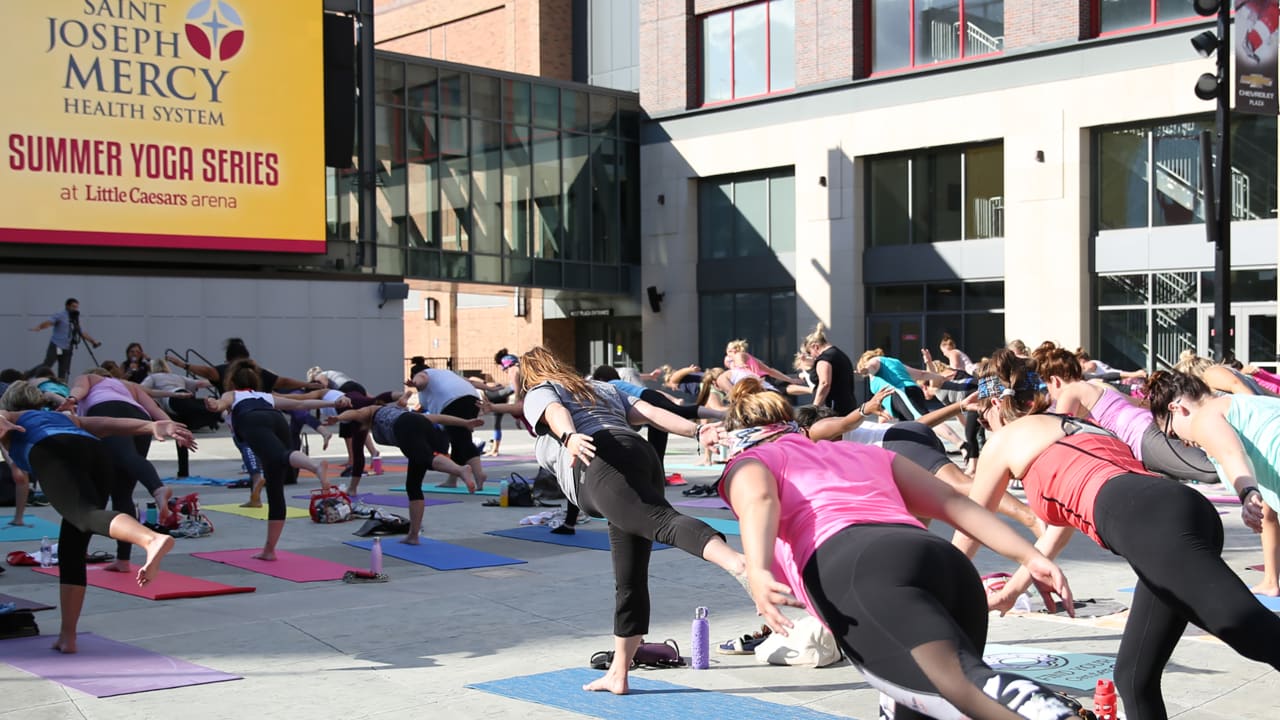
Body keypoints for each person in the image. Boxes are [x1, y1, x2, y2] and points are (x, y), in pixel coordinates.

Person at [719, 378, 1085, 720]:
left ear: (739, 439)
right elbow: (954, 502)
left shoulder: (750, 462)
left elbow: (760, 499)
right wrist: (1030, 555)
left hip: (859, 567)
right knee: (932, 701)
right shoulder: (864, 455)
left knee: (961, 684)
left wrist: (759, 569)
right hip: (945, 566)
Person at [955, 351, 1280, 720]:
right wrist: (1014, 589)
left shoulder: (1004, 440)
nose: (983, 425)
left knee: (1250, 628)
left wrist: (935, 586)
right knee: (1134, 675)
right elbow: (1063, 525)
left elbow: (970, 524)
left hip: (1151, 523)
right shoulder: (1071, 425)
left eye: (981, 417)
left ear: (996, 404)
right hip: (1181, 508)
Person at [519, 346, 747, 694]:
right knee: (630, 578)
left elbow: (554, 411)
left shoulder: (540, 390)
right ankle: (619, 673)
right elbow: (651, 412)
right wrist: (695, 431)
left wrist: (568, 436)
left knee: (662, 522)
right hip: (640, 456)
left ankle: (740, 565)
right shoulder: (600, 387)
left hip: (600, 462)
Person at [1, 380, 190, 654]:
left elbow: (3, 417)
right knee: (73, 545)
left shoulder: (14, 417)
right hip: (97, 456)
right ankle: (68, 637)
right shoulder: (59, 417)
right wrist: (149, 426)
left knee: (85, 516)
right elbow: (104, 423)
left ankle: (150, 539)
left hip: (55, 450)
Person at [204, 361, 340, 560]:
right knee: (276, 487)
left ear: (232, 382)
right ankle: (269, 550)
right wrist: (332, 403)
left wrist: (213, 404)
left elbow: (221, 405)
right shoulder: (266, 396)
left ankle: (314, 466)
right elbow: (300, 403)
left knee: (279, 463)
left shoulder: (233, 394)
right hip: (277, 421)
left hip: (253, 420)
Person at [1034, 344, 1218, 483]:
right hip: (1148, 429)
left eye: (1048, 387)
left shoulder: (1070, 392)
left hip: (1142, 437)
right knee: (1177, 481)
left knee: (1209, 471)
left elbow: (1059, 436)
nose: (1051, 394)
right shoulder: (1098, 385)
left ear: (1054, 380)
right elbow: (1142, 404)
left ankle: (1239, 466)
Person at [326, 396, 483, 542]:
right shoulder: (400, 412)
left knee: (426, 459)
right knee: (413, 485)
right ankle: (413, 535)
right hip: (423, 428)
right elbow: (438, 418)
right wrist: (464, 423)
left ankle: (461, 470)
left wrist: (338, 418)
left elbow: (354, 413)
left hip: (406, 428)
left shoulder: (371, 411)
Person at [61, 370, 175, 570]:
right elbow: (152, 408)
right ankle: (123, 560)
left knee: (99, 493)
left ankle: (157, 489)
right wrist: (172, 426)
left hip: (107, 412)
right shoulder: (130, 386)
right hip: (140, 417)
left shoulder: (90, 377)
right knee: (123, 491)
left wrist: (72, 399)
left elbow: (80, 388)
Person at [408, 364, 487, 491]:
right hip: (472, 400)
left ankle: (479, 475)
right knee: (457, 442)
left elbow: (422, 379)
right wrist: (490, 388)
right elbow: (469, 381)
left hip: (453, 403)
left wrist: (415, 383)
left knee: (463, 440)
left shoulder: (423, 374)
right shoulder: (444, 374)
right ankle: (452, 480)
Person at [30, 298, 100, 380]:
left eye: (76, 307)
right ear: (67, 306)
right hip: (57, 345)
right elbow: (49, 322)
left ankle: (62, 386)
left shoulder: (74, 318)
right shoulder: (60, 315)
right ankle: (28, 375)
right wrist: (40, 327)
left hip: (67, 347)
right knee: (47, 364)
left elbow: (80, 332)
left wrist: (93, 341)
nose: (75, 309)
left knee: (63, 370)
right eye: (73, 307)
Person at [803, 323, 855, 415]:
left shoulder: (824, 359)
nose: (812, 356)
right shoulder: (839, 354)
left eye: (809, 352)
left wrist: (815, 409)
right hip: (848, 404)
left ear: (815, 347)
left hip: (834, 407)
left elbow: (824, 384)